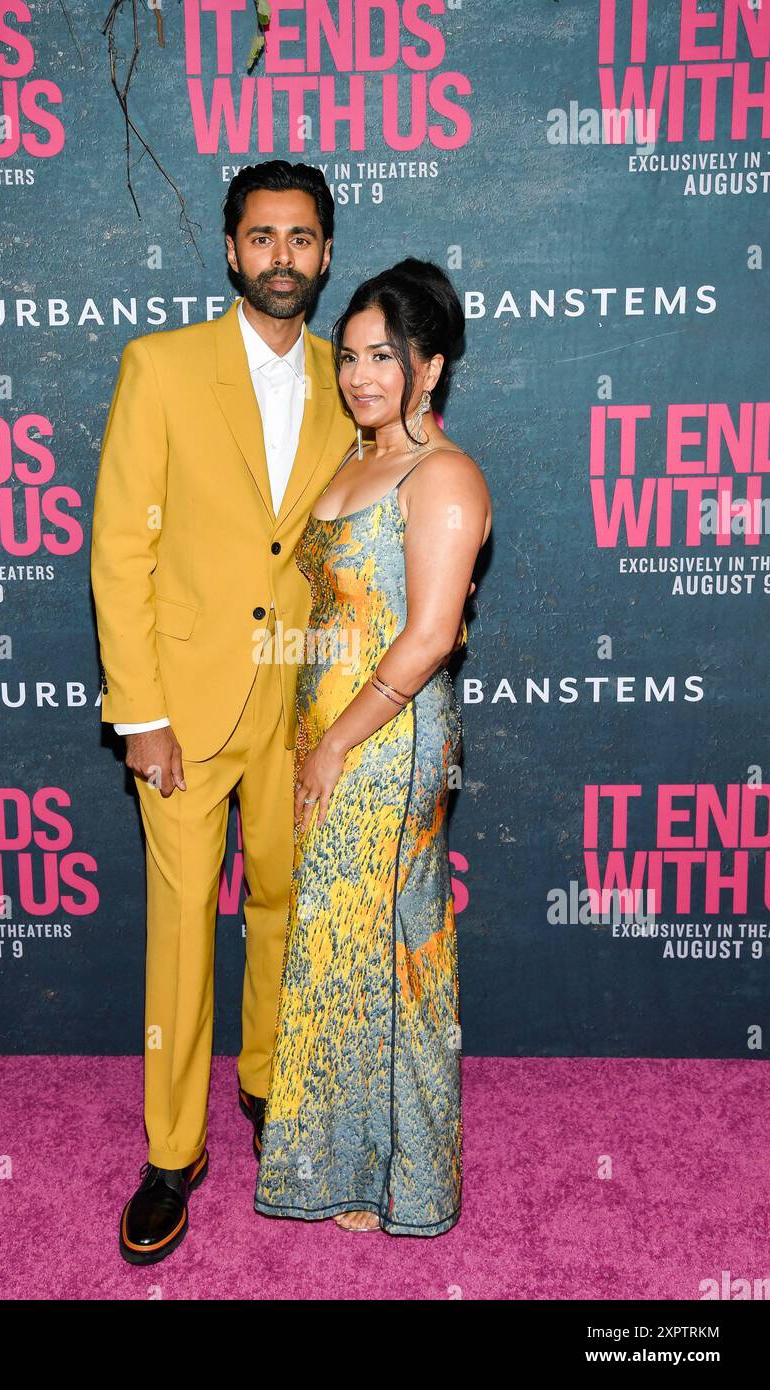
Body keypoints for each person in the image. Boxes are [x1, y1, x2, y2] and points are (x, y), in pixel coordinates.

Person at [90, 160, 357, 1264]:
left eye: (301, 238)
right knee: (180, 933)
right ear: (231, 247)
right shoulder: (160, 366)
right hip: (187, 710)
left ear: (327, 254)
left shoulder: (360, 378)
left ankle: (266, 1087)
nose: (282, 256)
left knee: (287, 909)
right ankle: (172, 1149)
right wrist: (139, 711)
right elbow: (120, 546)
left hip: (300, 703)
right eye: (262, 237)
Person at [253, 258, 492, 1236]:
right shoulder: (355, 465)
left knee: (395, 956)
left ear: (429, 367)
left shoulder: (443, 474)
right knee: (345, 951)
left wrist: (337, 744)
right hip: (333, 734)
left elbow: (430, 634)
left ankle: (407, 1175)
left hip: (388, 743)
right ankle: (352, 1162)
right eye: (348, 355)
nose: (359, 375)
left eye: (383, 356)